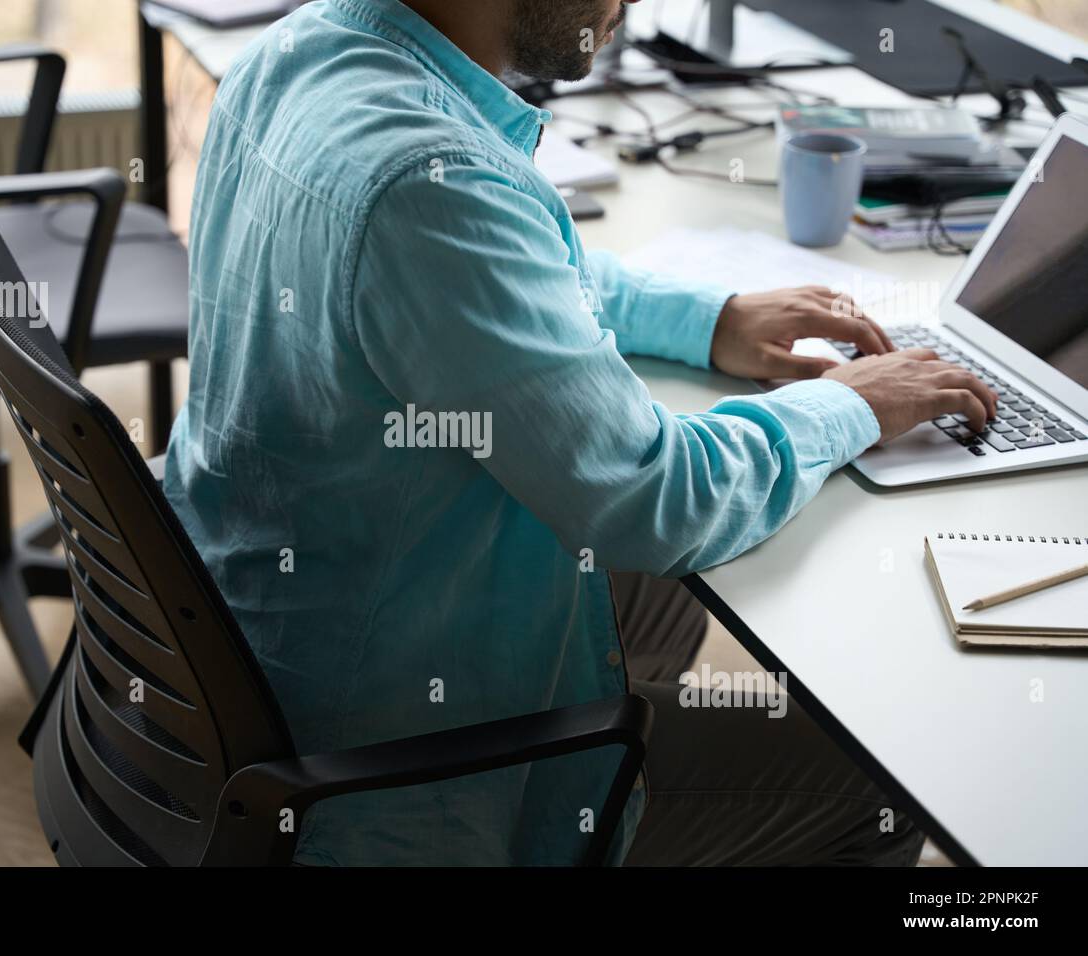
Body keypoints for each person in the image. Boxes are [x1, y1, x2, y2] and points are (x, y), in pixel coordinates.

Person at [165, 0, 995, 865]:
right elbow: (652, 496)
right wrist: (855, 403)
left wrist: (705, 319)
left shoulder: (298, 50)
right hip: (376, 769)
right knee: (873, 784)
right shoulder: (427, 177)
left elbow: (509, 268)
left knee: (662, 599)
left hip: (266, 634)